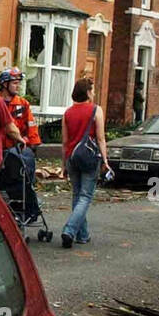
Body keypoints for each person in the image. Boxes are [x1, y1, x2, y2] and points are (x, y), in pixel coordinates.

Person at [60, 80, 109, 248]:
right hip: (89, 158)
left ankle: (83, 235)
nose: (94, 93)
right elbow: (101, 138)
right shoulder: (96, 110)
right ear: (87, 92)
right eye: (92, 90)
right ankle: (69, 230)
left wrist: (63, 165)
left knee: (77, 195)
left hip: (72, 159)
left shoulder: (67, 113)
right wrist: (105, 160)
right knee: (85, 196)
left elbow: (65, 142)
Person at [0, 68, 41, 148]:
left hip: (16, 149)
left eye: (19, 83)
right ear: (5, 84)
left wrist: (30, 142)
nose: (18, 86)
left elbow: (31, 126)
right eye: (15, 83)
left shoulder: (23, 104)